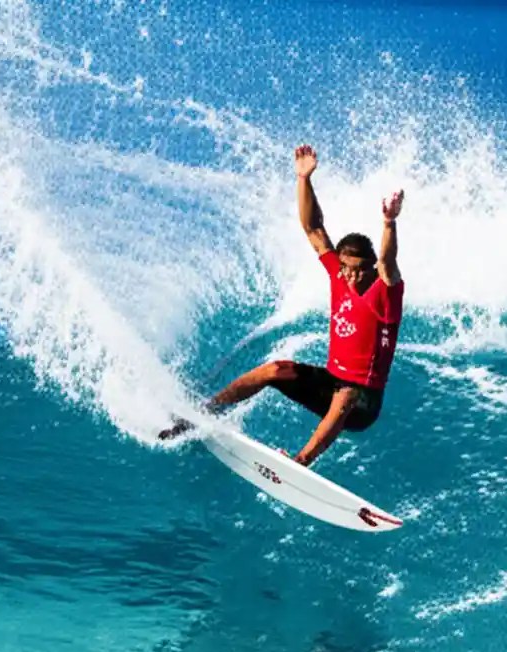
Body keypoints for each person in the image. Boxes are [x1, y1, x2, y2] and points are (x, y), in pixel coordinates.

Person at [160, 144, 405, 466]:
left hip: (363, 402)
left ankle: (300, 461)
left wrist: (388, 223)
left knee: (345, 396)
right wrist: (303, 179)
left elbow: (388, 261)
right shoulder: (339, 277)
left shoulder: (385, 292)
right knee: (275, 370)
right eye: (348, 267)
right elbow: (313, 229)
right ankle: (201, 414)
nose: (353, 275)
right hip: (331, 381)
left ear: (371, 266)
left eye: (361, 268)